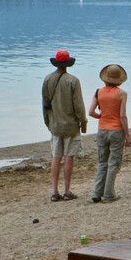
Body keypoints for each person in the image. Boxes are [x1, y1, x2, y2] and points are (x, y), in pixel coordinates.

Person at [41, 48, 86, 202]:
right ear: (68, 64)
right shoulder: (73, 81)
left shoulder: (47, 80)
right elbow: (78, 105)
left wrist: (48, 122)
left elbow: (45, 105)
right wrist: (83, 121)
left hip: (55, 125)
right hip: (71, 126)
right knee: (69, 157)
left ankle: (54, 191)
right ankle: (67, 191)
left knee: (56, 157)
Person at [89, 63, 130, 203]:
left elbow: (91, 112)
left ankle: (97, 193)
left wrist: (102, 117)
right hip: (116, 131)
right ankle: (108, 195)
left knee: (102, 163)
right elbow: (122, 116)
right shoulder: (122, 94)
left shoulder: (98, 92)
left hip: (102, 130)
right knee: (113, 163)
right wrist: (128, 136)